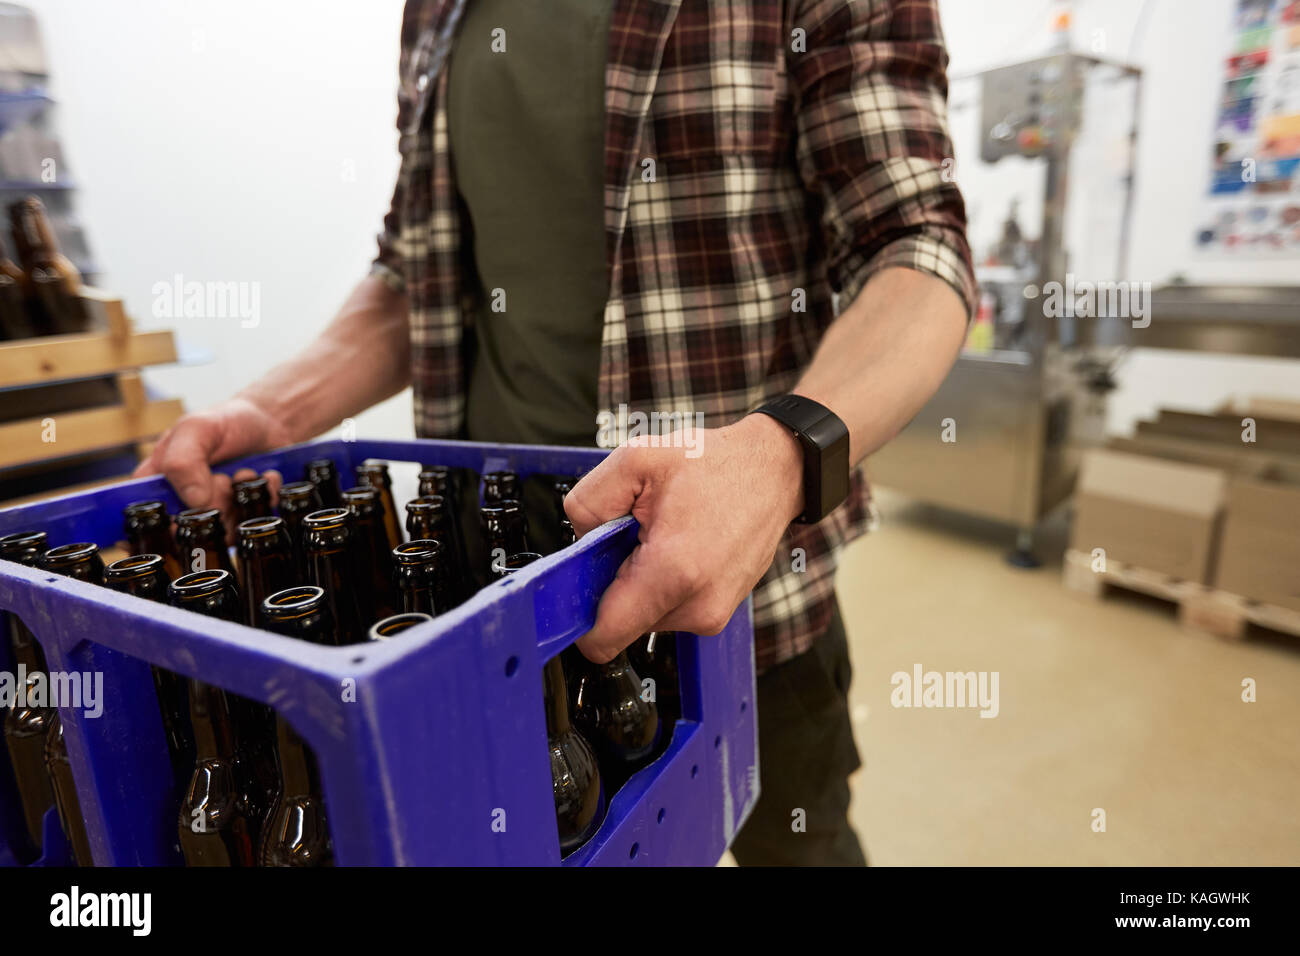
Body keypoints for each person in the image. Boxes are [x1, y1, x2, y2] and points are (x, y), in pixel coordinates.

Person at [136, 0, 976, 866]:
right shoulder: (434, 15)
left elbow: (914, 244)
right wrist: (273, 411)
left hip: (741, 594)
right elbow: (413, 270)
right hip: (497, 600)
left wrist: (777, 454)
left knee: (802, 847)